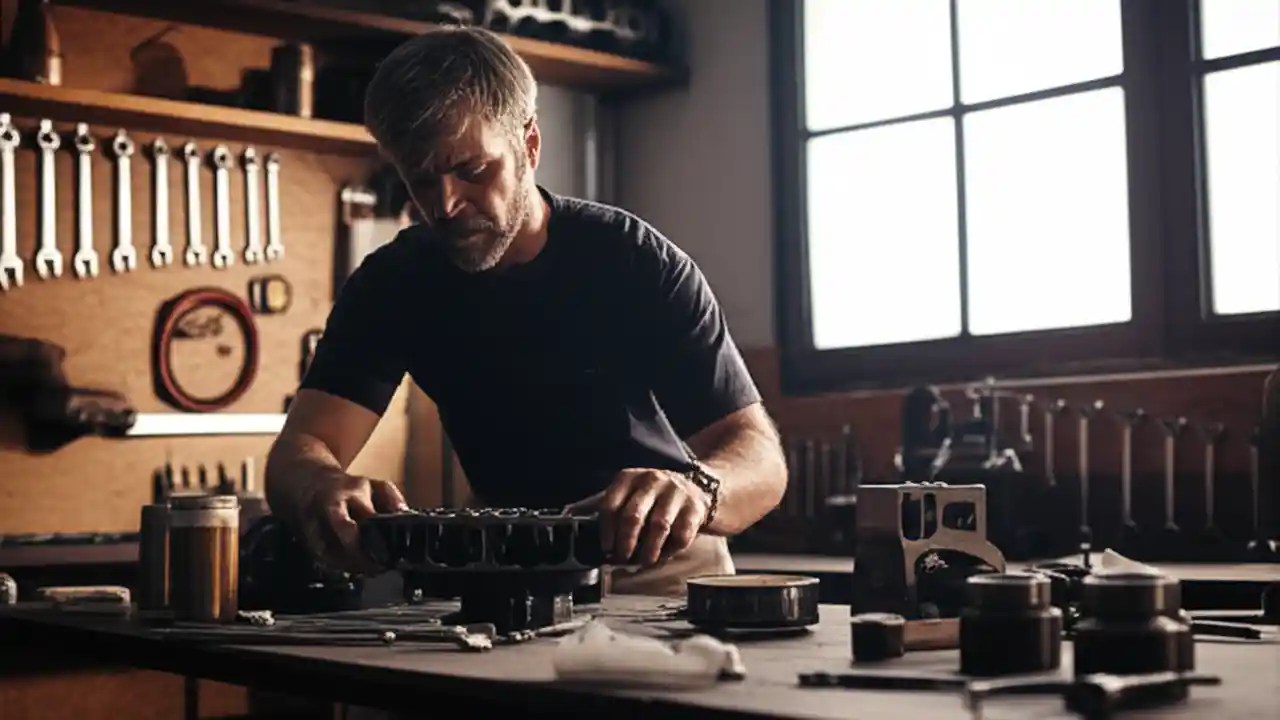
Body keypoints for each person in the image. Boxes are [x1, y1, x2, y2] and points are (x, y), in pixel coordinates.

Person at [264, 25, 787, 596]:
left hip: (660, 561)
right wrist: (320, 486)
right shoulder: (392, 283)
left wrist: (697, 490)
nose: (446, 205)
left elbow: (760, 459)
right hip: (508, 562)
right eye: (420, 180)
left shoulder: (636, 262)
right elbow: (298, 451)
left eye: (473, 170)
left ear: (529, 145)